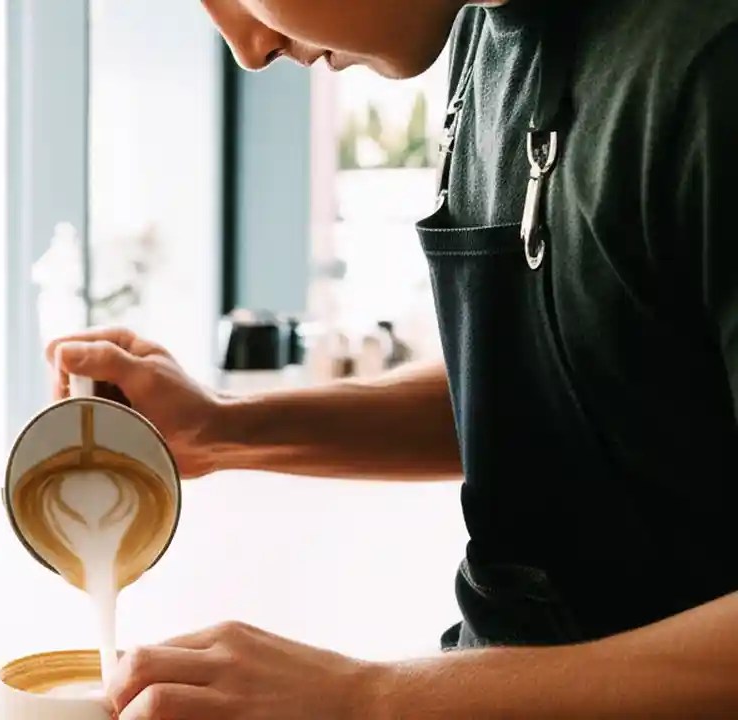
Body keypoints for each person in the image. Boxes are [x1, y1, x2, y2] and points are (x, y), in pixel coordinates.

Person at [46, 0, 738, 717]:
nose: (246, 49)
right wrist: (218, 428)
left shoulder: (710, 57)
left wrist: (368, 699)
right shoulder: (484, 35)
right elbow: (564, 385)